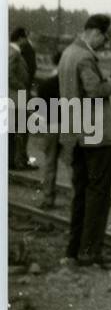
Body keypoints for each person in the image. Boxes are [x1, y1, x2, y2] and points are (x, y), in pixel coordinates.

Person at [58, 14, 111, 267]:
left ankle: (74, 250)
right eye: (105, 38)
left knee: (81, 193)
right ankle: (90, 251)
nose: (105, 44)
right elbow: (94, 90)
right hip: (94, 134)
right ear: (95, 32)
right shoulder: (84, 57)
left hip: (75, 132)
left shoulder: (68, 54)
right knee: (98, 193)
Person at [37, 49, 64, 208]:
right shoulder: (71, 83)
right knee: (73, 165)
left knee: (50, 163)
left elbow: (40, 110)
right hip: (69, 128)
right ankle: (78, 201)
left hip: (51, 126)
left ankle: (48, 198)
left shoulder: (46, 84)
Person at [8, 33, 32, 169]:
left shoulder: (12, 52)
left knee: (13, 131)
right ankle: (15, 161)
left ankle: (13, 160)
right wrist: (22, 86)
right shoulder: (14, 53)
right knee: (18, 130)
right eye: (25, 38)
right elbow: (8, 74)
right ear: (20, 38)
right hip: (16, 97)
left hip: (14, 97)